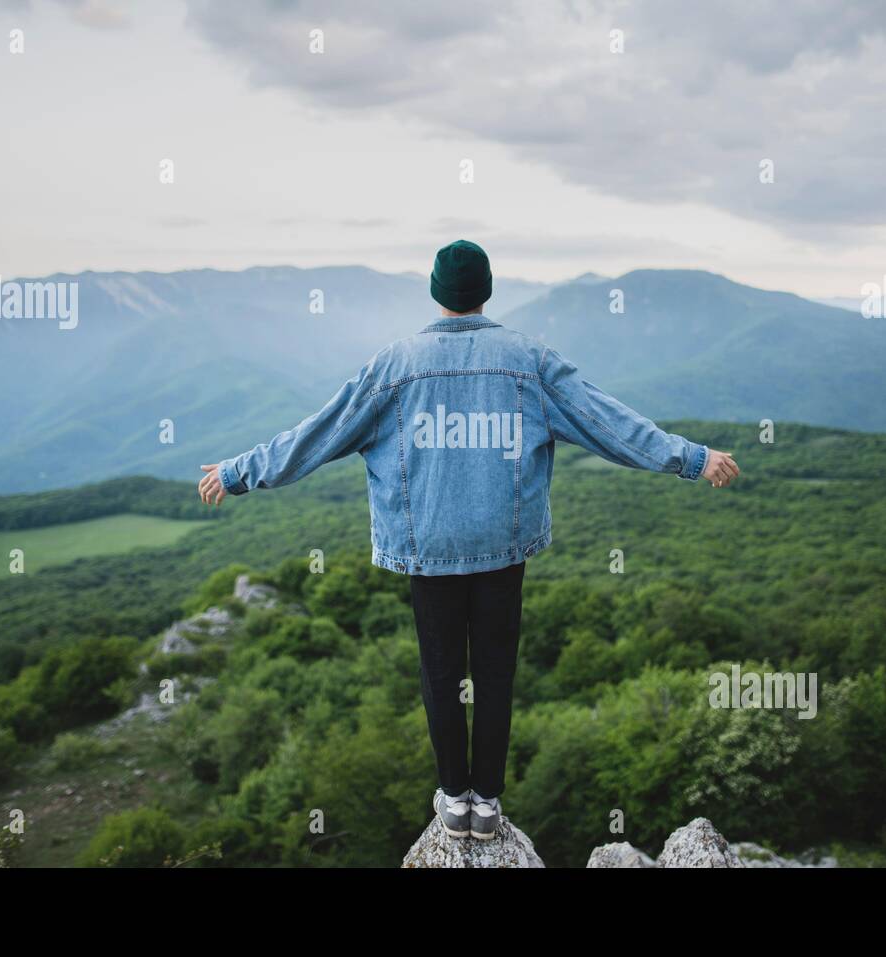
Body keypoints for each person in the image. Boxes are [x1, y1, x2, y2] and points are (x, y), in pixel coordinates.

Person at [198, 240, 740, 840]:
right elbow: (609, 423)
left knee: (440, 672)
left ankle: (454, 797)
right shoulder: (528, 359)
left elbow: (319, 434)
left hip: (428, 546)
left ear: (436, 292)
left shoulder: (395, 365)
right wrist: (691, 458)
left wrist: (239, 472)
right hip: (502, 544)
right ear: (486, 290)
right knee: (495, 671)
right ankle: (488, 802)